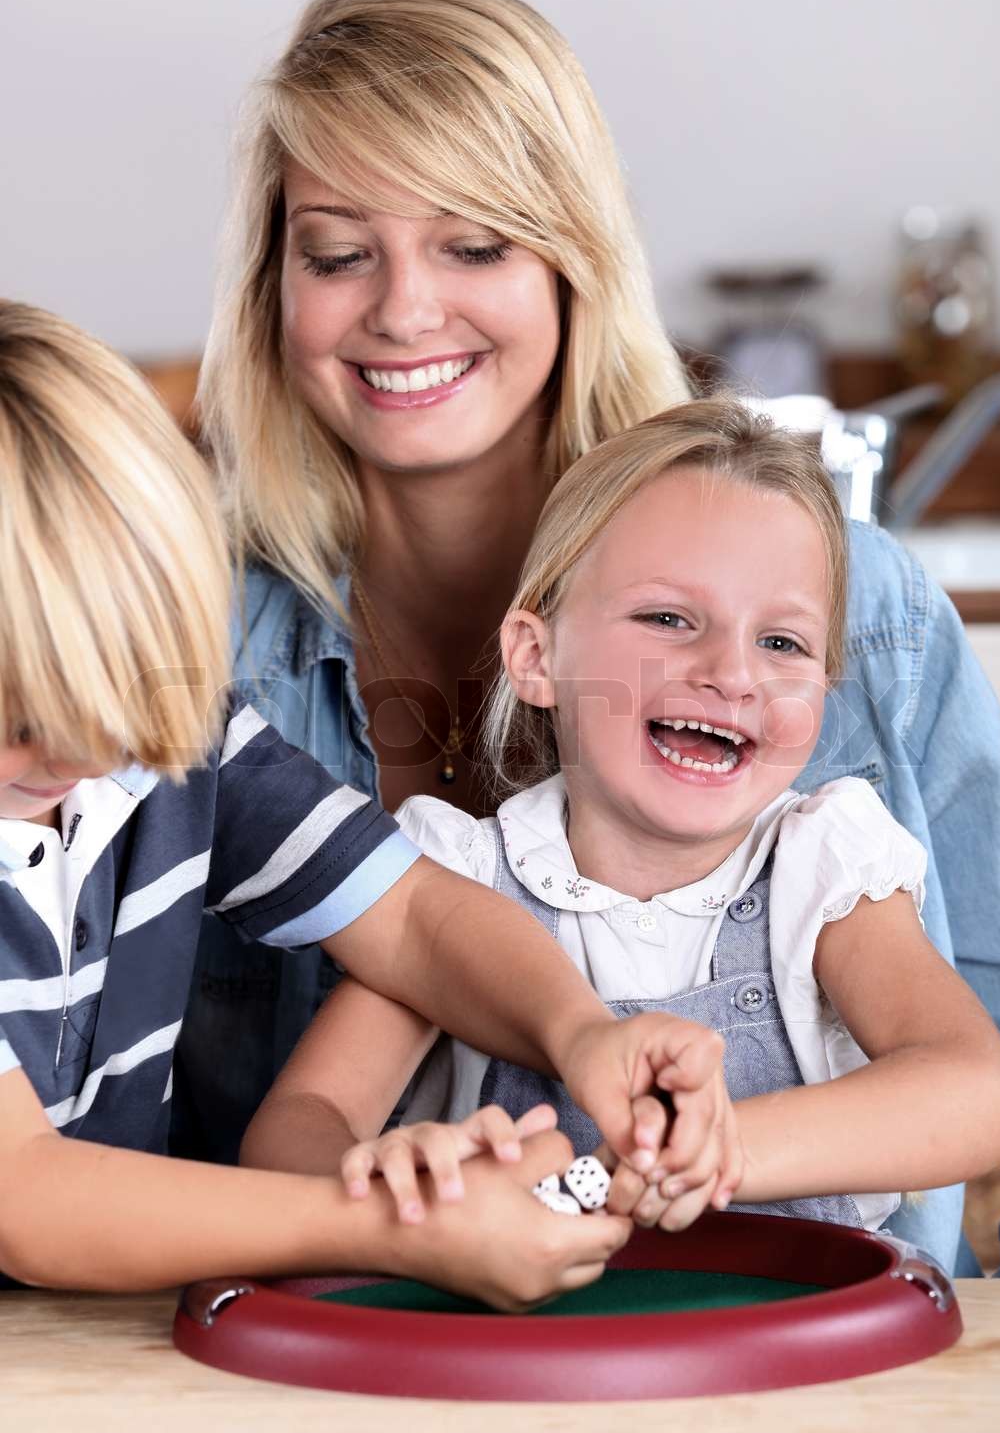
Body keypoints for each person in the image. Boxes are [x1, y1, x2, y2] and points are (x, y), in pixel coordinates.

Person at [177, 0, 1000, 1276]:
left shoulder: (854, 614)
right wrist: (389, 1209)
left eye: (474, 242)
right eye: (335, 251)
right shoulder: (191, 651)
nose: (403, 309)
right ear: (271, 290)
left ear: (571, 259)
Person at [0, 300, 745, 1303]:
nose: (86, 751)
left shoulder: (180, 751)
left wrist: (580, 1034)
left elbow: (415, 920)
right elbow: (30, 1200)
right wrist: (394, 1224)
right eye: (20, 716)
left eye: (118, 694)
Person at [241, 396, 1000, 1239]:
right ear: (536, 658)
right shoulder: (457, 878)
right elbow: (300, 1121)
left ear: (823, 689)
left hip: (810, 1359)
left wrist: (714, 1150)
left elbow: (976, 1094)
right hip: (524, 1361)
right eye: (666, 619)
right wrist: (394, 1190)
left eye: (782, 644)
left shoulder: (824, 865)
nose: (730, 673)